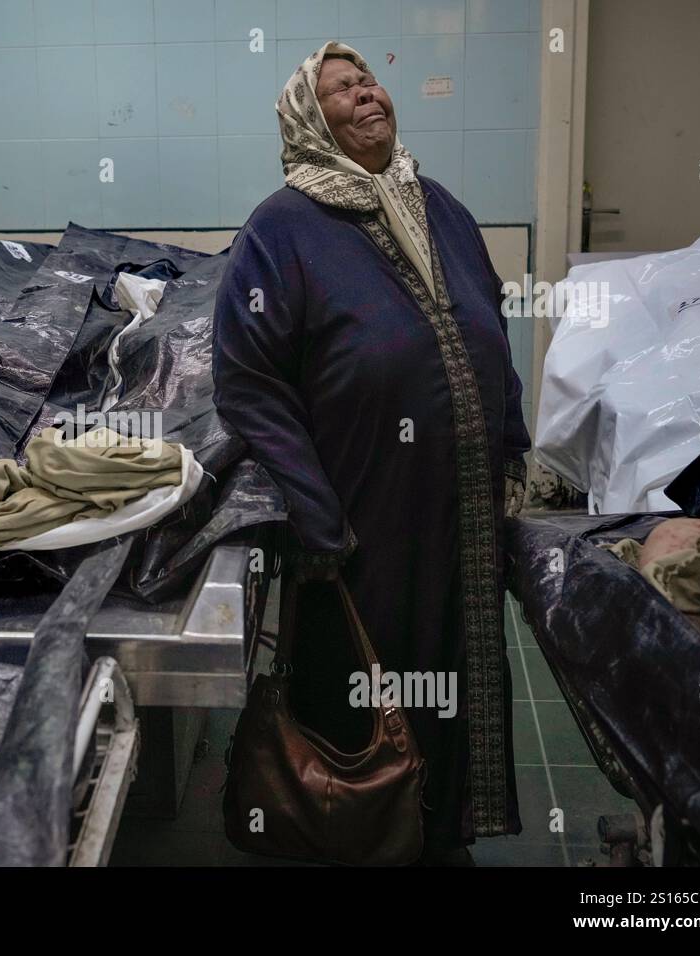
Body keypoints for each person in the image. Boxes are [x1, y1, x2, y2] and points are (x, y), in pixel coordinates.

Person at [213, 42, 531, 863]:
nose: (364, 95)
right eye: (339, 91)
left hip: (460, 510)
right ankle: (363, 832)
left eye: (367, 80)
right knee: (366, 686)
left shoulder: (437, 205)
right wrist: (317, 515)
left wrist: (513, 445)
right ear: (309, 121)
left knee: (457, 673)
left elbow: (489, 326)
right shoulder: (281, 231)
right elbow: (248, 382)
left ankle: (441, 830)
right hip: (360, 519)